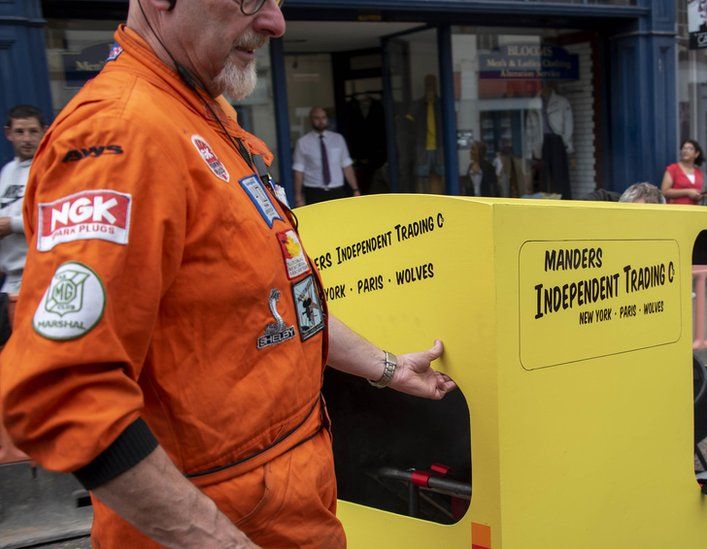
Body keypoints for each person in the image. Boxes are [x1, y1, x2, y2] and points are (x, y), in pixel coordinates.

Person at [0, 1, 455, 547]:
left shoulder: (202, 113)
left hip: (287, 503)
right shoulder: (122, 132)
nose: (275, 22)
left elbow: (272, 301)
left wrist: (388, 369)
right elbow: (63, 394)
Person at [1, 105, 45, 304]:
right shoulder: (7, 171)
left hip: (40, 278)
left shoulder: (50, 168)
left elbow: (58, 217)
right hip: (10, 282)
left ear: (44, 131)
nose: (27, 139)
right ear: (8, 133)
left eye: (33, 131)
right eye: (20, 132)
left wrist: (12, 224)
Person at [293, 106, 361, 206]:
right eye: (317, 118)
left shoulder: (338, 139)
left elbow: (346, 166)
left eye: (323, 117)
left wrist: (355, 189)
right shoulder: (303, 143)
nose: (321, 121)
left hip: (337, 190)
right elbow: (299, 171)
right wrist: (298, 196)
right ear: (311, 120)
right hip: (314, 191)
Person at [528, 81, 574, 199]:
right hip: (541, 141)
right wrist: (532, 148)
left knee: (560, 175)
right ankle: (545, 200)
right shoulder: (534, 103)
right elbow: (530, 127)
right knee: (544, 176)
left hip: (557, 139)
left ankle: (564, 200)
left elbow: (568, 124)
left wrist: (566, 142)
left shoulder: (561, 102)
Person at [661, 139, 705, 205]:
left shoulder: (698, 172)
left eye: (690, 149)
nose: (686, 150)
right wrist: (687, 192)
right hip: (677, 210)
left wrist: (699, 196)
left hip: (694, 210)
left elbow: (698, 191)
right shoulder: (672, 169)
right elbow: (664, 191)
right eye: (684, 148)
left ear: (696, 154)